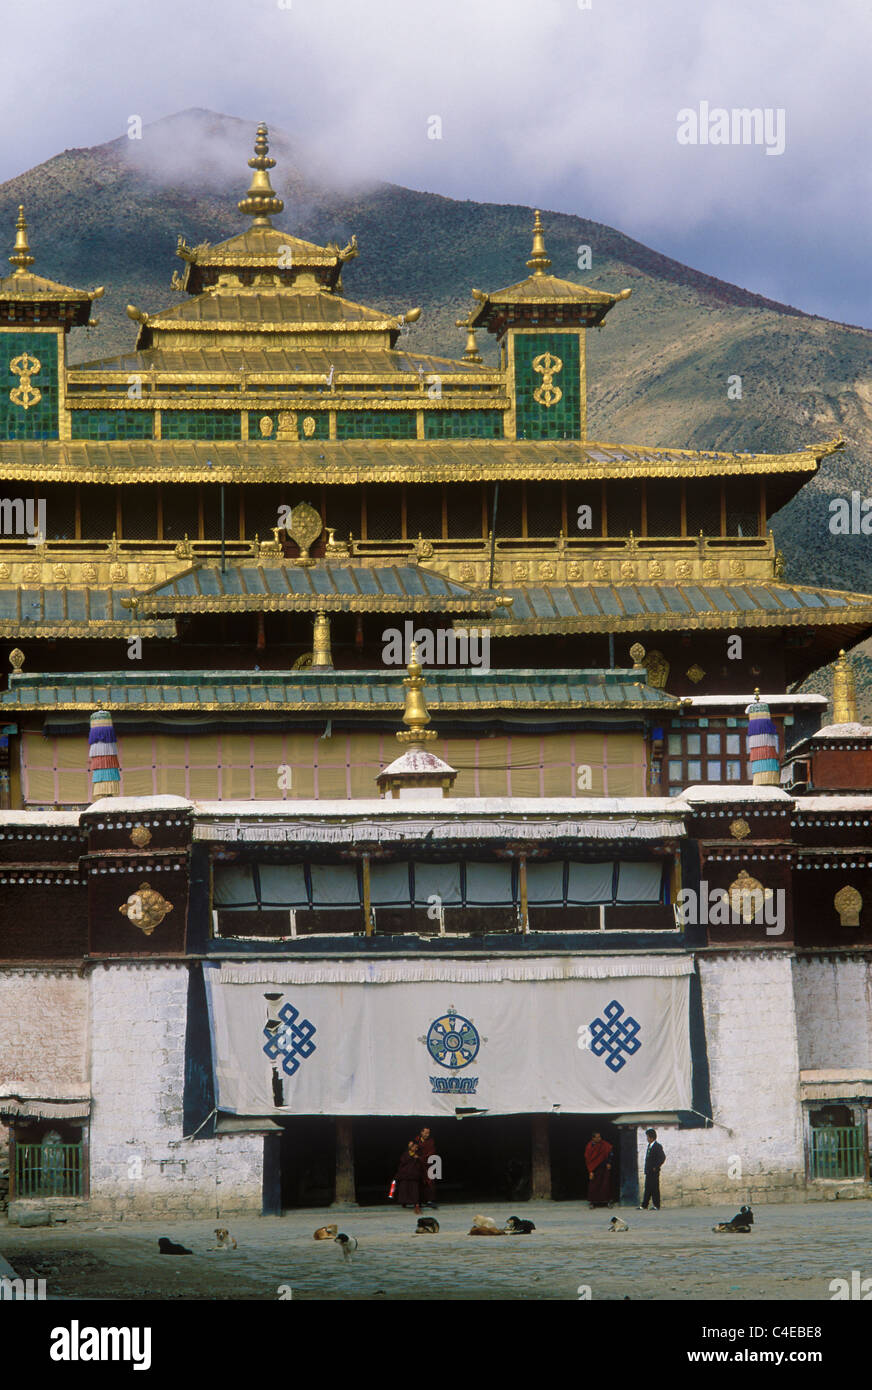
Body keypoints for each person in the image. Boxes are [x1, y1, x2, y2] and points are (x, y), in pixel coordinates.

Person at [584, 1130, 614, 1208]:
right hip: (594, 1168)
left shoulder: (604, 1145)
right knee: (594, 1185)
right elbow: (588, 1158)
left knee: (605, 1184)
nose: (599, 1139)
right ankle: (593, 1201)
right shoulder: (590, 1146)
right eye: (597, 1137)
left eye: (599, 1137)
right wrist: (590, 1170)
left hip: (604, 1167)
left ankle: (607, 1201)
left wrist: (609, 1162)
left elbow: (610, 1153)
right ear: (593, 1138)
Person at [639, 1128, 665, 1210]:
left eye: (647, 1137)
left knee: (654, 1188)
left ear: (651, 1138)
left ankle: (656, 1205)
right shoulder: (649, 1146)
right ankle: (644, 1205)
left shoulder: (657, 1146)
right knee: (648, 1188)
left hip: (654, 1171)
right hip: (649, 1171)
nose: (647, 1139)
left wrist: (656, 1167)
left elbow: (662, 1157)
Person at [394, 1141, 423, 1213]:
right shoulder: (405, 1154)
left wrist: (418, 1158)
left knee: (414, 1190)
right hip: (405, 1175)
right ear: (411, 1147)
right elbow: (402, 1162)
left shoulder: (418, 1154)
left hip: (414, 1175)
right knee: (404, 1189)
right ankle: (404, 1202)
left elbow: (421, 1162)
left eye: (417, 1148)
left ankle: (416, 1204)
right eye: (414, 1147)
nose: (416, 1149)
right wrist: (411, 1157)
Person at [415, 1125, 438, 1209]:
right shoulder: (416, 1140)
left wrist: (422, 1158)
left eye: (428, 1133)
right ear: (421, 1132)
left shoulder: (431, 1141)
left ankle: (430, 1201)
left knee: (430, 1183)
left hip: (428, 1165)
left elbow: (432, 1152)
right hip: (418, 1165)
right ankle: (419, 1200)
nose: (427, 1135)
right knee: (418, 1183)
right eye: (425, 1133)